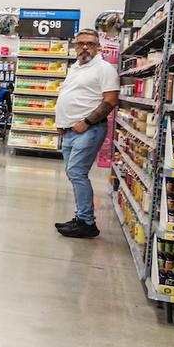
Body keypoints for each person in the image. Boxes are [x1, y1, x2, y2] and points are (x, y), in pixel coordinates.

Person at [54, 29, 119, 238]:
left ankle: (87, 222)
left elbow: (110, 100)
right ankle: (81, 217)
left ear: (98, 46)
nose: (84, 47)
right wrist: (61, 122)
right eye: (80, 43)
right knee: (74, 175)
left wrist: (87, 122)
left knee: (77, 173)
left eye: (89, 43)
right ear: (74, 46)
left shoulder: (104, 68)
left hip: (89, 129)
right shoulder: (75, 67)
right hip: (69, 131)